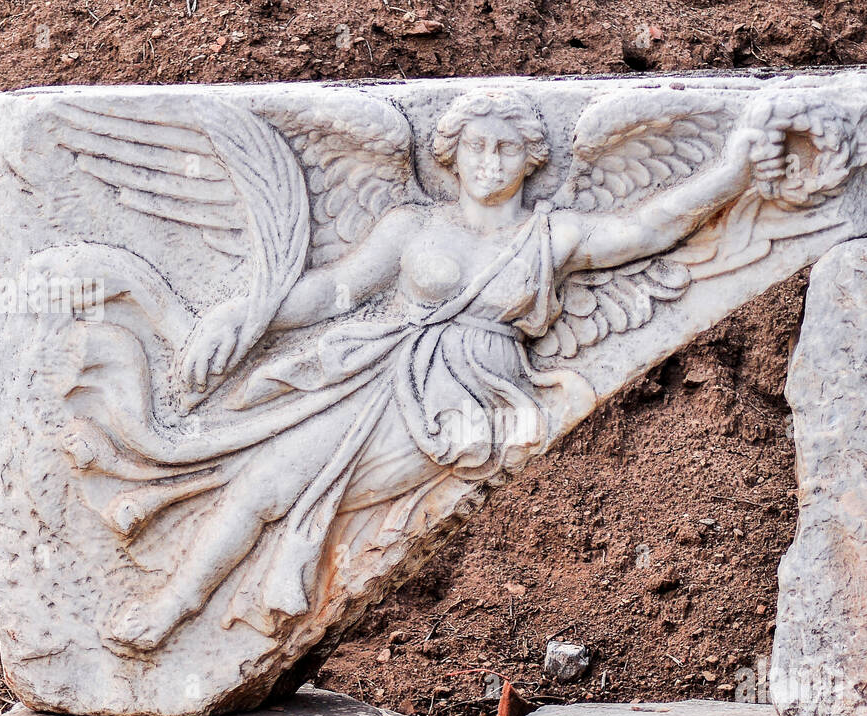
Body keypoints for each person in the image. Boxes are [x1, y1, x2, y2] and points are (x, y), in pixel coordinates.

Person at [93, 88, 787, 654]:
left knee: (290, 493)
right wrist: (249, 313)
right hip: (377, 369)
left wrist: (736, 170)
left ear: (530, 157)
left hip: (471, 399)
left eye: (507, 146)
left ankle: (195, 608)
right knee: (264, 479)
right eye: (478, 145)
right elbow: (334, 292)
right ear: (452, 155)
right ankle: (171, 608)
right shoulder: (411, 224)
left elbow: (649, 229)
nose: (490, 160)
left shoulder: (550, 236)